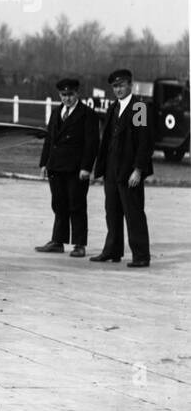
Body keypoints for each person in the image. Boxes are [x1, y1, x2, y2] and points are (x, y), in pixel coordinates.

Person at [90, 68, 153, 267]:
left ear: (130, 85)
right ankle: (112, 251)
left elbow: (144, 141)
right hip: (111, 170)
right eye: (115, 86)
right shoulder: (112, 108)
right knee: (112, 212)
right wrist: (99, 169)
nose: (118, 89)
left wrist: (138, 169)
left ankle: (141, 256)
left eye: (121, 85)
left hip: (130, 172)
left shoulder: (138, 108)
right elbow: (106, 140)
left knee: (133, 213)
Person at [34, 77, 99, 257]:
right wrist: (44, 163)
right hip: (56, 167)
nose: (67, 98)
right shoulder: (56, 113)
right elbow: (49, 140)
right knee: (59, 204)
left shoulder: (87, 114)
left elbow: (92, 143)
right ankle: (58, 241)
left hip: (76, 169)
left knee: (76, 205)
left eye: (70, 95)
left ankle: (79, 244)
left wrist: (86, 167)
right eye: (63, 95)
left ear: (77, 94)